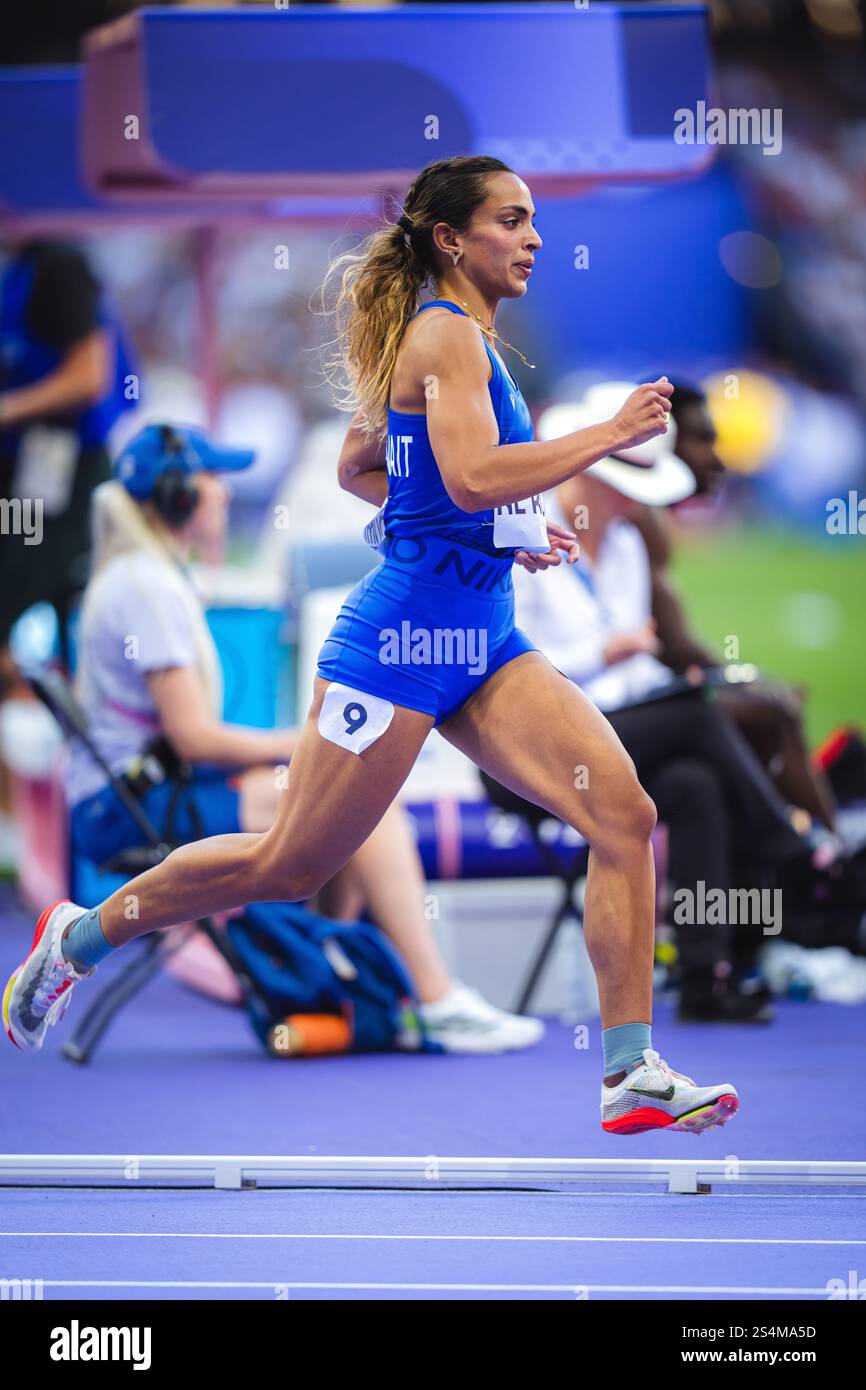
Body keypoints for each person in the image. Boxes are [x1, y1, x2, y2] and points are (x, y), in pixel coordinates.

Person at [5, 156, 739, 1138]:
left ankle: (625, 1069)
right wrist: (603, 434)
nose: (530, 238)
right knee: (287, 865)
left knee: (621, 812)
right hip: (397, 642)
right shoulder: (442, 339)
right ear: (450, 239)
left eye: (530, 220)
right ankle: (78, 937)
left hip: (482, 635)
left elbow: (369, 468)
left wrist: (503, 534)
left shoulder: (455, 338)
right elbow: (474, 474)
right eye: (508, 220)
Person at [64, 423, 541, 1054]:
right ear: (178, 496)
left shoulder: (144, 575)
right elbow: (195, 739)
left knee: (339, 803)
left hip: (140, 791)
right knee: (360, 806)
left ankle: (325, 981)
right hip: (124, 810)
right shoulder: (146, 588)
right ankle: (435, 996)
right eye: (214, 481)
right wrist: (305, 742)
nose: (226, 496)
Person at [513, 382, 832, 1022]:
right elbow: (508, 669)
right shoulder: (525, 541)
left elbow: (632, 676)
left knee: (695, 784)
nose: (640, 504)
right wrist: (608, 655)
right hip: (529, 746)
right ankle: (785, 842)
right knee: (694, 711)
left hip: (613, 730)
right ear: (601, 480)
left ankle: (702, 976)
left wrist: (638, 668)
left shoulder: (628, 549)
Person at [631, 382, 838, 832]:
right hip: (616, 705)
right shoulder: (639, 520)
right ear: (662, 441)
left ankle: (798, 858)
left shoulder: (646, 520)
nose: (717, 459)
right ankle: (816, 851)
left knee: (741, 735)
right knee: (768, 711)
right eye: (702, 439)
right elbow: (673, 645)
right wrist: (750, 680)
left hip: (633, 697)